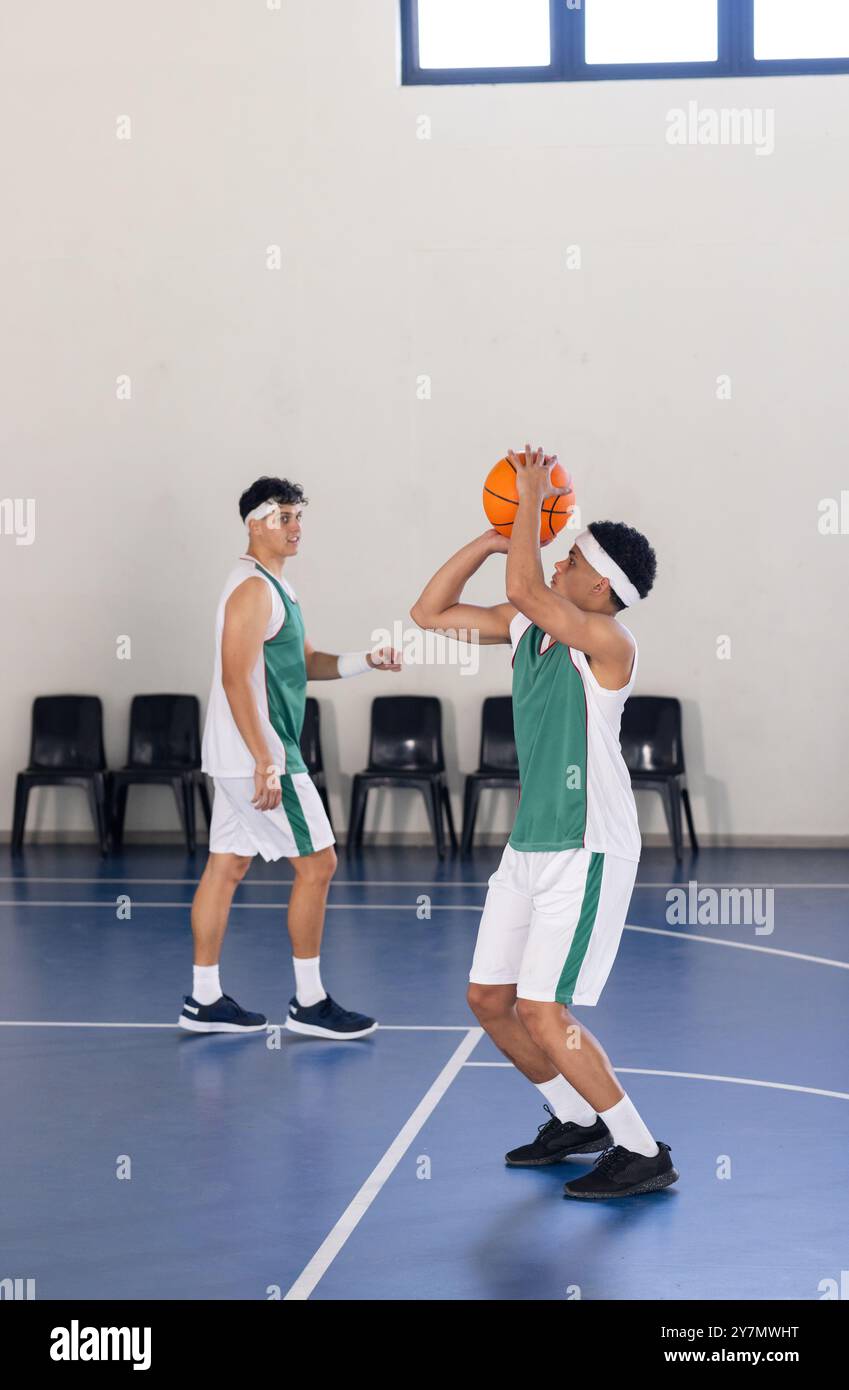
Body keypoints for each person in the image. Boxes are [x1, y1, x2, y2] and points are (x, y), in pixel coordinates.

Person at [411, 446, 677, 1199]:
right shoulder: (530, 627)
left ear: (600, 585)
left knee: (541, 1006)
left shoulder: (609, 644)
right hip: (530, 844)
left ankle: (640, 1148)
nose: (555, 562)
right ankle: (574, 1118)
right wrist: (496, 534)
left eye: (572, 559)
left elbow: (528, 587)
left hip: (587, 847)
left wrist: (528, 500)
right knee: (489, 1000)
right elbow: (428, 613)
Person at [180, 476, 400, 1039]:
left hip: (240, 754)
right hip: (261, 752)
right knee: (319, 864)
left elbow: (303, 663)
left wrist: (365, 661)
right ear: (255, 524)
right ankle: (309, 1002)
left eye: (299, 515)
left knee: (226, 866)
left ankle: (204, 999)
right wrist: (265, 759)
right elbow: (234, 680)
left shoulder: (277, 588)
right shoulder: (253, 589)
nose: (296, 527)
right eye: (284, 517)